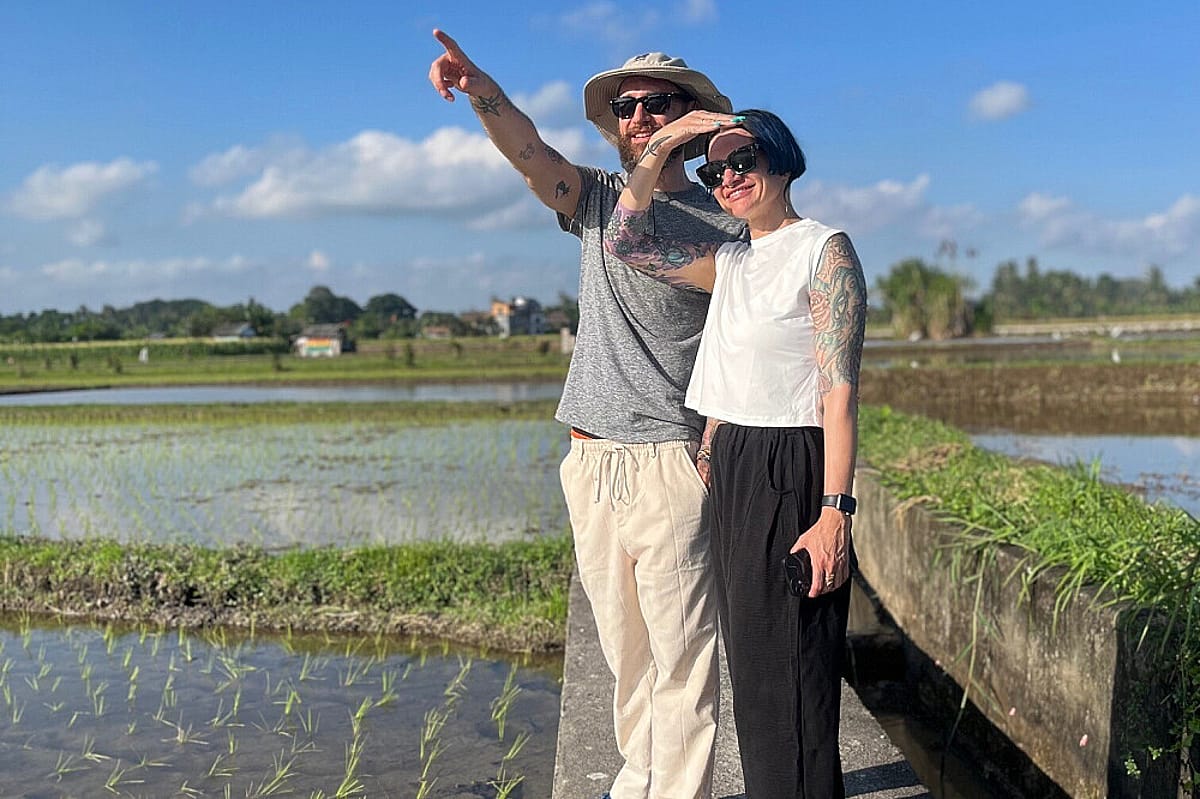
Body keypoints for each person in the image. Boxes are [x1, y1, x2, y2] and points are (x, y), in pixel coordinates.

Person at [429, 31, 746, 799]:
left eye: (657, 104)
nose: (638, 115)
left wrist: (715, 442)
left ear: (692, 114)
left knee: (683, 654)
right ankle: (639, 777)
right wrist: (479, 88)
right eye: (627, 106)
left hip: (670, 458)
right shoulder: (597, 200)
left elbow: (748, 351)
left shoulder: (726, 227)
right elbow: (528, 152)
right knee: (625, 651)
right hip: (591, 457)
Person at [603, 108, 868, 798]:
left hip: (793, 464)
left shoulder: (823, 249)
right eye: (713, 171)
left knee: (796, 666)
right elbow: (624, 241)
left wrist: (835, 511)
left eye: (741, 161)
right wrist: (662, 142)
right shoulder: (731, 261)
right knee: (753, 667)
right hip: (738, 468)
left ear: (781, 158)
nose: (727, 180)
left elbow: (838, 391)